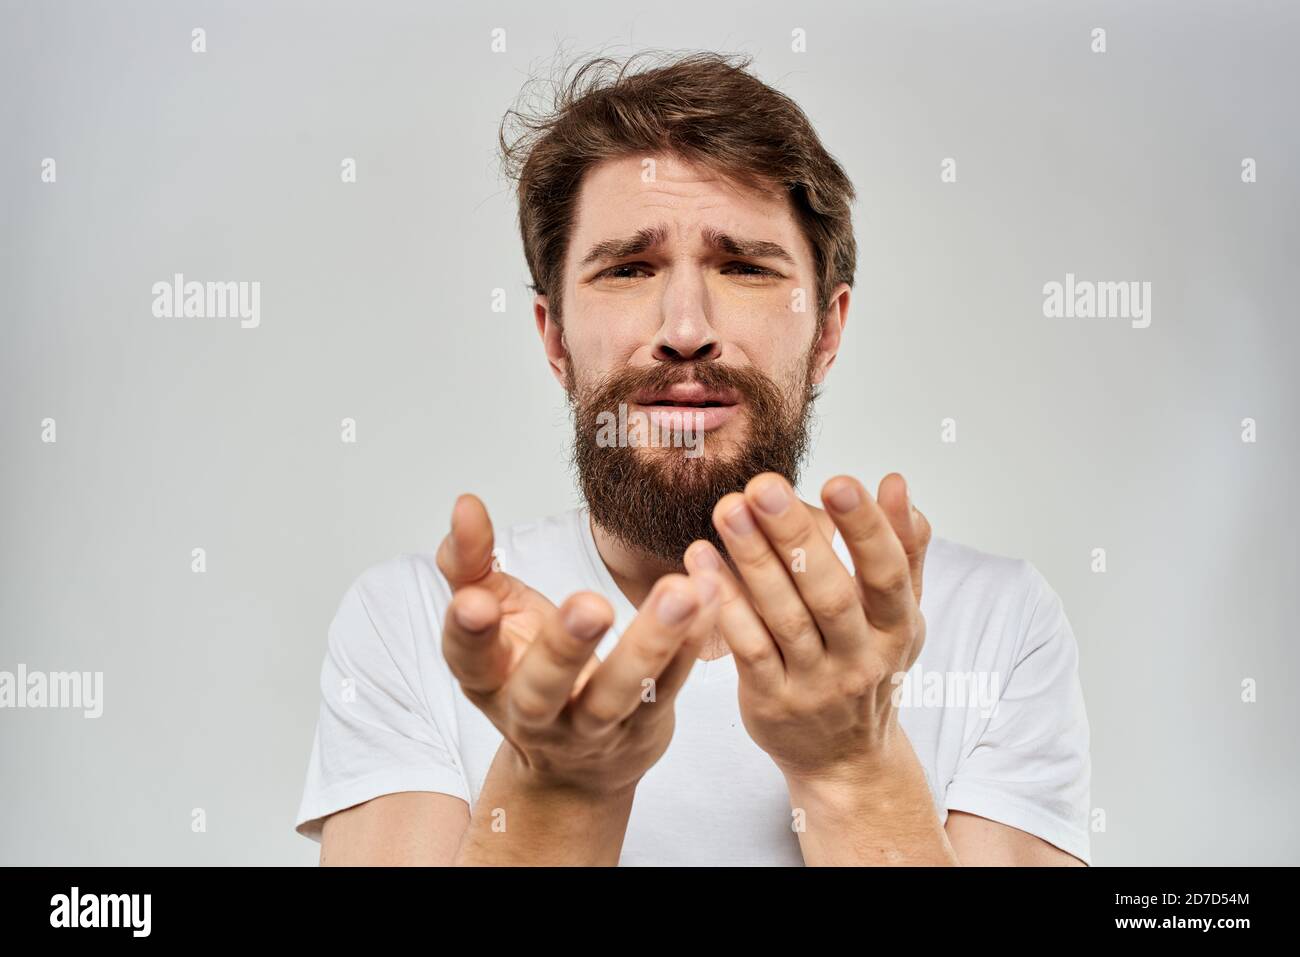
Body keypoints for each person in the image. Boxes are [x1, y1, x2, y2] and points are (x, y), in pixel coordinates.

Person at [294, 51, 1091, 866]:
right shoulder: (415, 624)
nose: (684, 326)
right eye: (628, 268)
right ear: (555, 340)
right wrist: (557, 791)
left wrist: (851, 766)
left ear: (826, 332)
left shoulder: (1000, 626)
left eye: (743, 266)